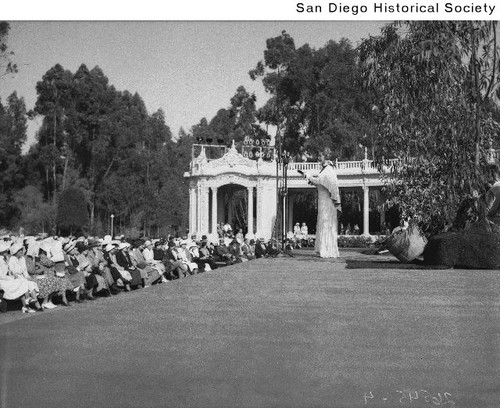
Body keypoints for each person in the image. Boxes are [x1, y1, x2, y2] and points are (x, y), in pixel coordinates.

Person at [304, 149, 341, 258]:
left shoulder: (329, 169)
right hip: (322, 199)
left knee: (326, 223)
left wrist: (309, 176)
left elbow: (320, 181)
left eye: (320, 156)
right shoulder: (324, 169)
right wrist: (311, 179)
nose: (318, 158)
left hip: (327, 201)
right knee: (322, 222)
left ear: (326, 157)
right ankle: (322, 248)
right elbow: (320, 182)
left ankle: (327, 250)